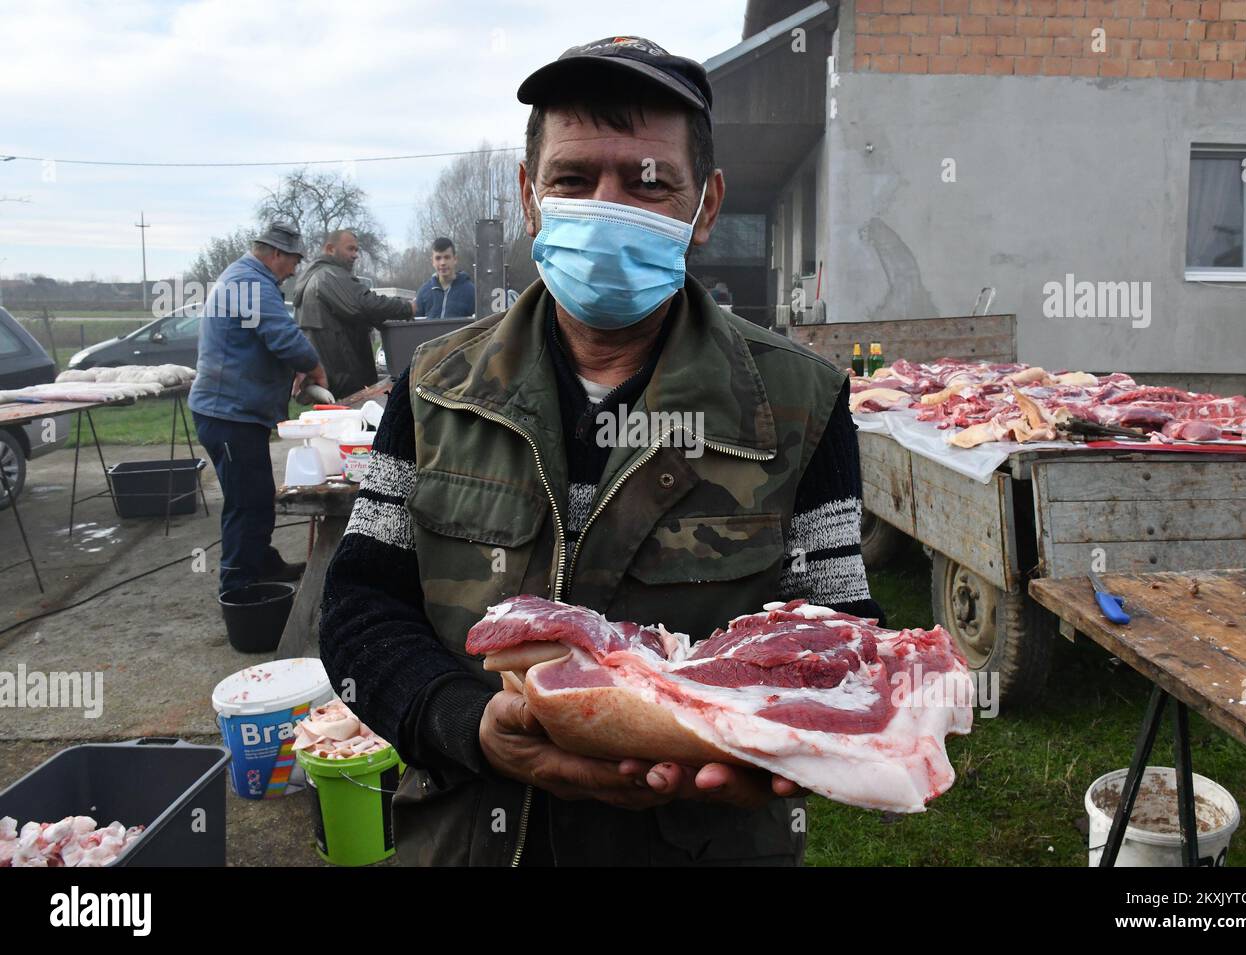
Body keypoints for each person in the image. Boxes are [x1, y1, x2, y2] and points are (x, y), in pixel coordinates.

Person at [319, 36, 884, 867]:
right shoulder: (434, 386)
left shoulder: (799, 403)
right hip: (473, 841)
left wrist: (782, 756)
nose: (609, 206)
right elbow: (361, 605)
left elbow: (838, 636)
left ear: (707, 204)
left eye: (649, 183)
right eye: (575, 180)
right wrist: (464, 724)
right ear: (529, 194)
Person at [189, 222, 327, 593]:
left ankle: (260, 562)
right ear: (276, 254)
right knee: (246, 502)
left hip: (232, 412)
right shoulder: (250, 284)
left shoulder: (245, 279)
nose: (295, 269)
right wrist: (314, 367)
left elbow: (265, 341)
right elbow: (283, 337)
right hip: (227, 414)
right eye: (293, 260)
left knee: (256, 495)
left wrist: (294, 371)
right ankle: (239, 584)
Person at [293, 229, 416, 400]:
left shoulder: (314, 277)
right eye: (350, 249)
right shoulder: (328, 276)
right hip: (343, 380)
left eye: (356, 250)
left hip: (329, 377)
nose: (355, 255)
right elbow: (365, 304)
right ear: (330, 249)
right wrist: (408, 308)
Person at [413, 238, 475, 319]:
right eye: (438, 258)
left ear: (455, 259)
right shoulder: (423, 292)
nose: (443, 263)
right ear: (433, 261)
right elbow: (415, 327)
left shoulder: (470, 291)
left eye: (447, 257)